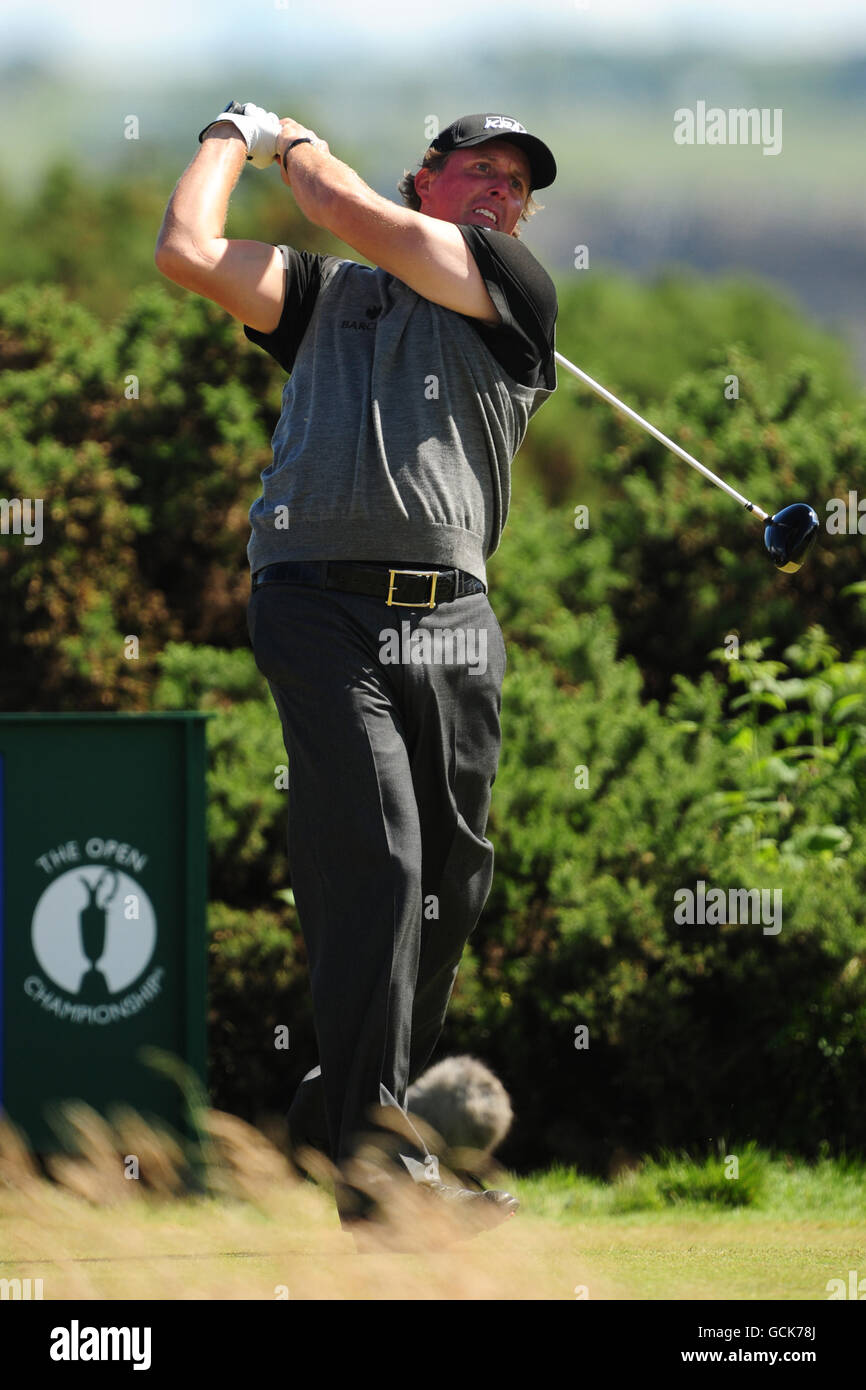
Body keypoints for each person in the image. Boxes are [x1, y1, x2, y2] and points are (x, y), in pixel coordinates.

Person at [155, 106, 558, 1241]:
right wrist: (229, 135)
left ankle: (340, 1103)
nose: (500, 191)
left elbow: (340, 204)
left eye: (517, 183)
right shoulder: (322, 296)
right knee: (381, 861)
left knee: (450, 884)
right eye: (478, 170)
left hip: (453, 620)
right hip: (315, 606)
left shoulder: (512, 287)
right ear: (423, 180)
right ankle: (382, 1166)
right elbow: (186, 249)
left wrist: (294, 145)